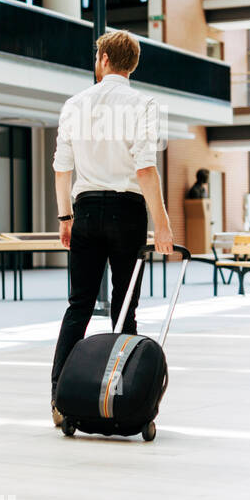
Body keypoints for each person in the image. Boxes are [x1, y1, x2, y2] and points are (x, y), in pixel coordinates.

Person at [50, 29, 175, 425]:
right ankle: (121, 399)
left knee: (78, 306)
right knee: (125, 309)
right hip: (128, 211)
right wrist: (163, 226)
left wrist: (65, 217)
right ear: (131, 64)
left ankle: (59, 400)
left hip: (85, 210)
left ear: (103, 59)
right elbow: (145, 167)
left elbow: (61, 167)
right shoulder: (144, 104)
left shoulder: (75, 104)